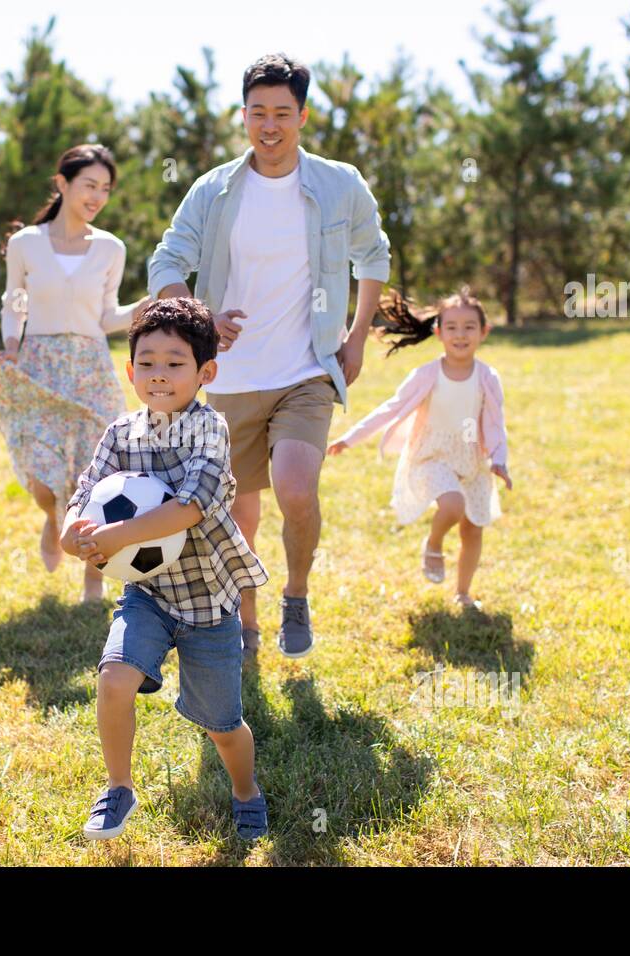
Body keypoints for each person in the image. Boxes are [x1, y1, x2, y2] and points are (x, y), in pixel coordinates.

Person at [147, 53, 391, 660]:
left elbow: (375, 258)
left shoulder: (339, 184)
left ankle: (297, 594)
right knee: (238, 518)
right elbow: (166, 263)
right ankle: (246, 625)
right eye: (259, 113)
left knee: (296, 488)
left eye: (283, 112)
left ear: (303, 115)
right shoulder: (214, 189)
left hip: (306, 370)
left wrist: (356, 337)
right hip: (227, 379)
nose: (270, 125)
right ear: (244, 116)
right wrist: (200, 320)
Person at [60, 297, 271, 841]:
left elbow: (190, 506)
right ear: (130, 370)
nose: (159, 375)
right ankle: (118, 787)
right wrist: (73, 532)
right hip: (147, 593)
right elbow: (87, 494)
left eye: (175, 363)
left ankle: (246, 791)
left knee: (221, 726)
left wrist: (115, 535)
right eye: (147, 362)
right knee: (113, 678)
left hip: (207, 599)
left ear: (206, 373)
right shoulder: (119, 434)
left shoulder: (210, 429)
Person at [0, 144, 150, 603]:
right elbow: (14, 302)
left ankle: (93, 578)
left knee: (95, 475)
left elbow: (104, 317)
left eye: (105, 189)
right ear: (62, 184)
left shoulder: (110, 248)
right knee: (44, 479)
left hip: (91, 367)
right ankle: (53, 516)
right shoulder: (26, 244)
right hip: (38, 363)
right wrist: (13, 347)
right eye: (88, 186)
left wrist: (139, 309)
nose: (97, 196)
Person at [327, 288, 513, 609]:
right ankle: (434, 543)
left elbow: (496, 422)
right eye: (452, 327)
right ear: (438, 332)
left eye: (469, 327)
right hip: (432, 456)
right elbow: (391, 408)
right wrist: (351, 437)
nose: (461, 334)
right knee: (452, 505)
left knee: (473, 529)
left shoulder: (487, 377)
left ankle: (463, 593)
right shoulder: (427, 374)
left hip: (473, 461)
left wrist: (499, 460)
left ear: (484, 331)